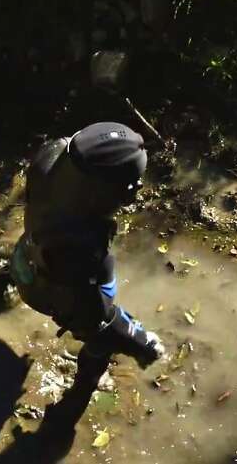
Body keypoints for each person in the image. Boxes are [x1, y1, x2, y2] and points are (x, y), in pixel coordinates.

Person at [11, 121, 166, 381]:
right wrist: (137, 340)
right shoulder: (78, 244)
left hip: (23, 255)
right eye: (132, 185)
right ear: (102, 193)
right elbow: (93, 315)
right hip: (44, 291)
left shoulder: (52, 156)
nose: (137, 190)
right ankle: (87, 380)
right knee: (99, 337)